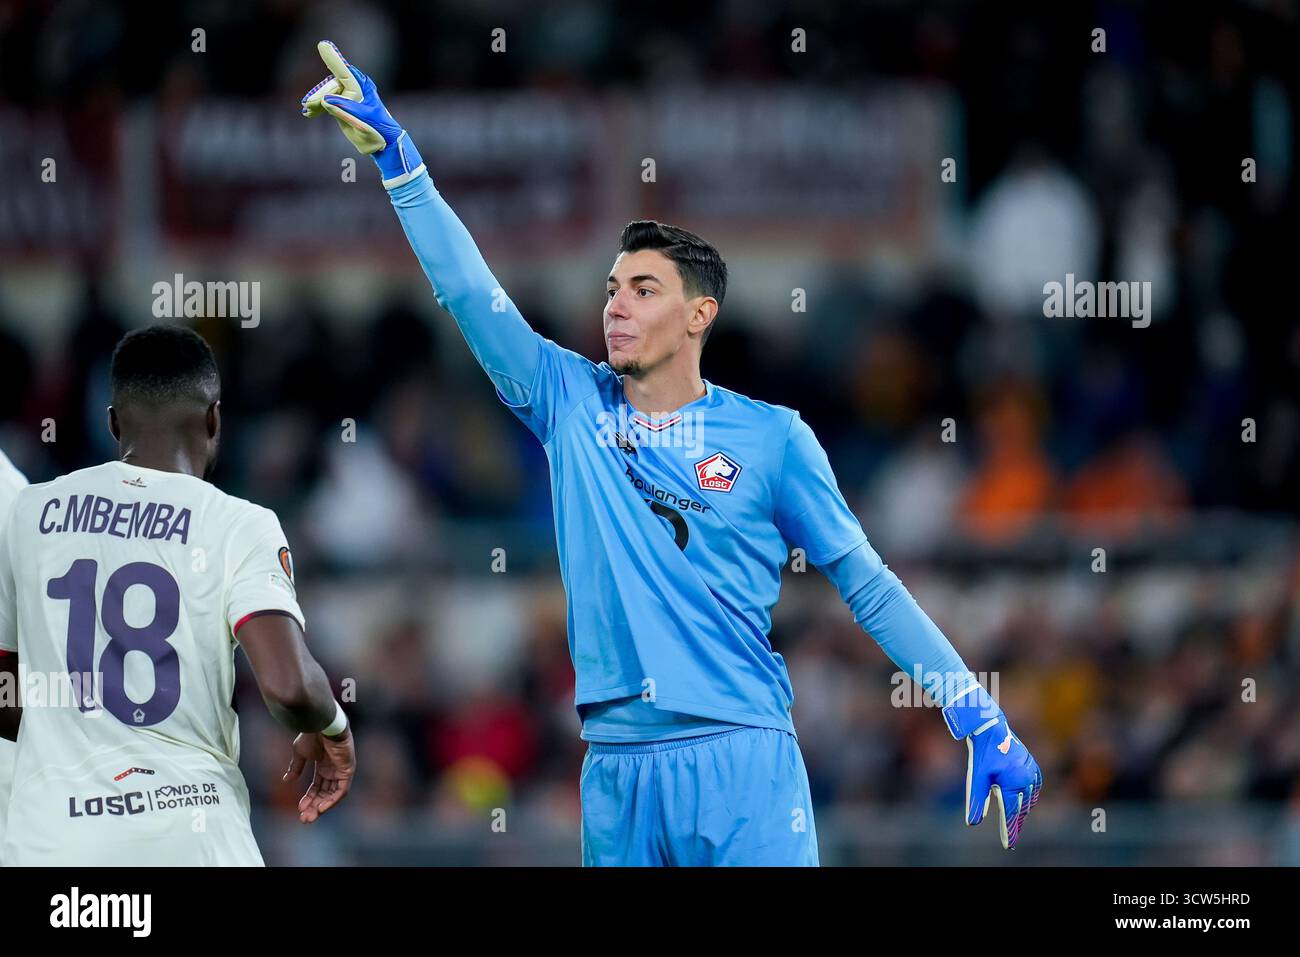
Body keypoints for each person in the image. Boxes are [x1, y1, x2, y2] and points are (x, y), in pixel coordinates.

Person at [304, 41, 1040, 865]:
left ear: (700, 316)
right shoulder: (567, 400)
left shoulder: (774, 439)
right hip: (617, 770)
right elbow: (472, 294)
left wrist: (975, 710)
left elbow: (867, 584)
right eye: (612, 288)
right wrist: (403, 167)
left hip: (743, 760)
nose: (616, 306)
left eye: (643, 290)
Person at [0, 325, 355, 865]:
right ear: (214, 418)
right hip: (194, 838)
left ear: (114, 422)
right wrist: (332, 725)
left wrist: (79, 733)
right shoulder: (239, 524)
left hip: (58, 845)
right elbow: (287, 686)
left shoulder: (31, 512)